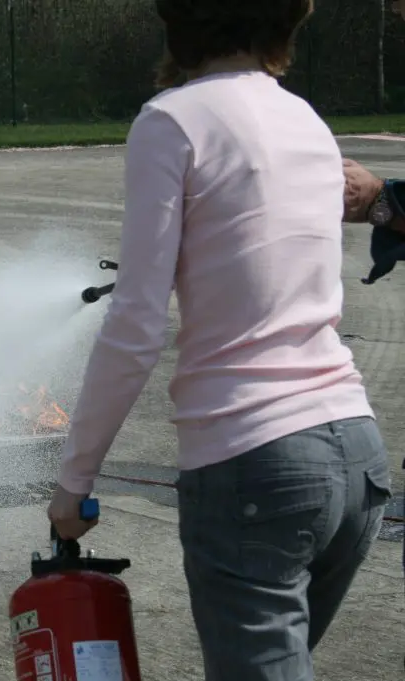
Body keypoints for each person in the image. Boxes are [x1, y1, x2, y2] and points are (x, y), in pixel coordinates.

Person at [47, 1, 394, 680]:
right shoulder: (307, 119)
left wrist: (74, 479)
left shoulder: (171, 121)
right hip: (355, 457)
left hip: (254, 467)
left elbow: (135, 324)